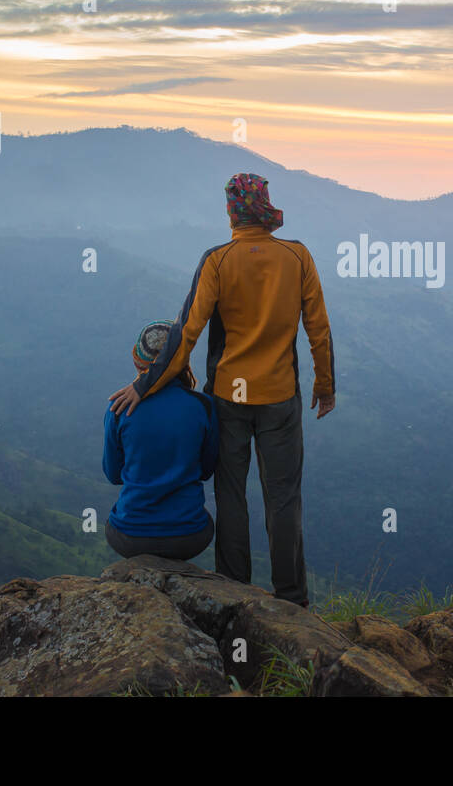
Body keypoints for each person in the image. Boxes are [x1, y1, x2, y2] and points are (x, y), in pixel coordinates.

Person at [109, 173, 335, 607]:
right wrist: (324, 386)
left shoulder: (218, 260)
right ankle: (291, 598)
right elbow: (318, 328)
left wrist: (145, 383)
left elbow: (186, 331)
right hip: (281, 396)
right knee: (283, 500)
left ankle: (234, 593)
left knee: (231, 496)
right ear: (265, 206)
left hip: (228, 397)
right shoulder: (298, 256)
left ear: (232, 211)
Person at [102, 320, 217, 561]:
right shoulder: (203, 406)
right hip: (189, 536)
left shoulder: (119, 408)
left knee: (112, 520)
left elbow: (113, 474)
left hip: (130, 536)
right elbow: (207, 470)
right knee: (205, 520)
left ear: (137, 362)